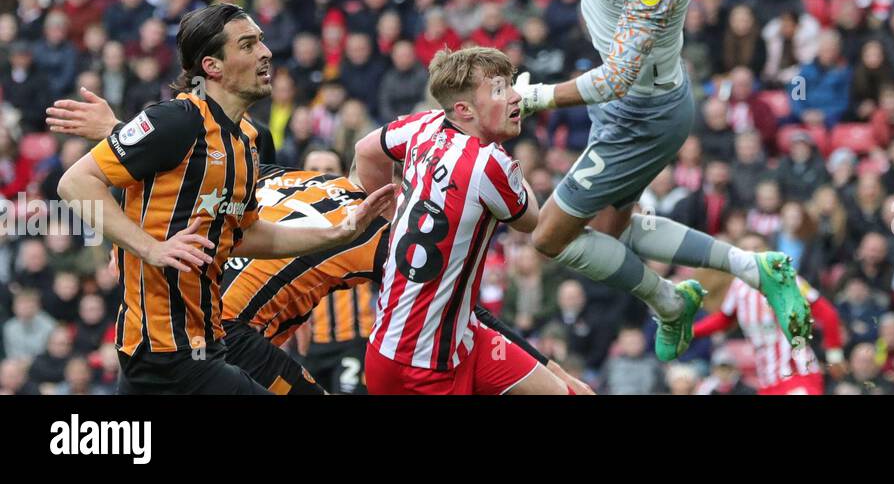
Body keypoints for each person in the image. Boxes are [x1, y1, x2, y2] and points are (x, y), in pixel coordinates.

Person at [439, 0, 811, 361]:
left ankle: (670, 301)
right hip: (629, 93)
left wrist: (533, 98)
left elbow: (614, 79)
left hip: (644, 109)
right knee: (609, 235)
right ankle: (752, 266)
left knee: (551, 237)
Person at [49, 93, 590, 395]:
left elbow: (199, 166)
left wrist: (117, 128)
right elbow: (456, 309)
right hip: (229, 334)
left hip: (188, 324)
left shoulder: (289, 176)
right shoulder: (384, 233)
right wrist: (550, 367)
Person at [54, 3, 395, 394]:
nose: (265, 53)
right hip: (166, 353)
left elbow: (248, 236)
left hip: (201, 346)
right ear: (213, 67)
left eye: (261, 42)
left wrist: (337, 234)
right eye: (248, 46)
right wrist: (150, 248)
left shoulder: (247, 143)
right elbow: (76, 183)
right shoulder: (179, 119)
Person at [352, 46, 567, 395]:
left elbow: (365, 150)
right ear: (464, 110)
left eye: (510, 86)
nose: (516, 97)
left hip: (457, 336)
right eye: (500, 90)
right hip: (421, 367)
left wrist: (390, 217)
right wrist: (502, 150)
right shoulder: (489, 163)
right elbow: (530, 220)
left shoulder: (424, 124)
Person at [692, 232, 846, 395]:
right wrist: (690, 331)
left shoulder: (785, 278)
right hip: (767, 381)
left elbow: (828, 313)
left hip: (798, 375)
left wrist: (835, 355)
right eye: (744, 249)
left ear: (767, 251)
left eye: (756, 248)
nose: (750, 254)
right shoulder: (738, 286)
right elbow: (724, 318)